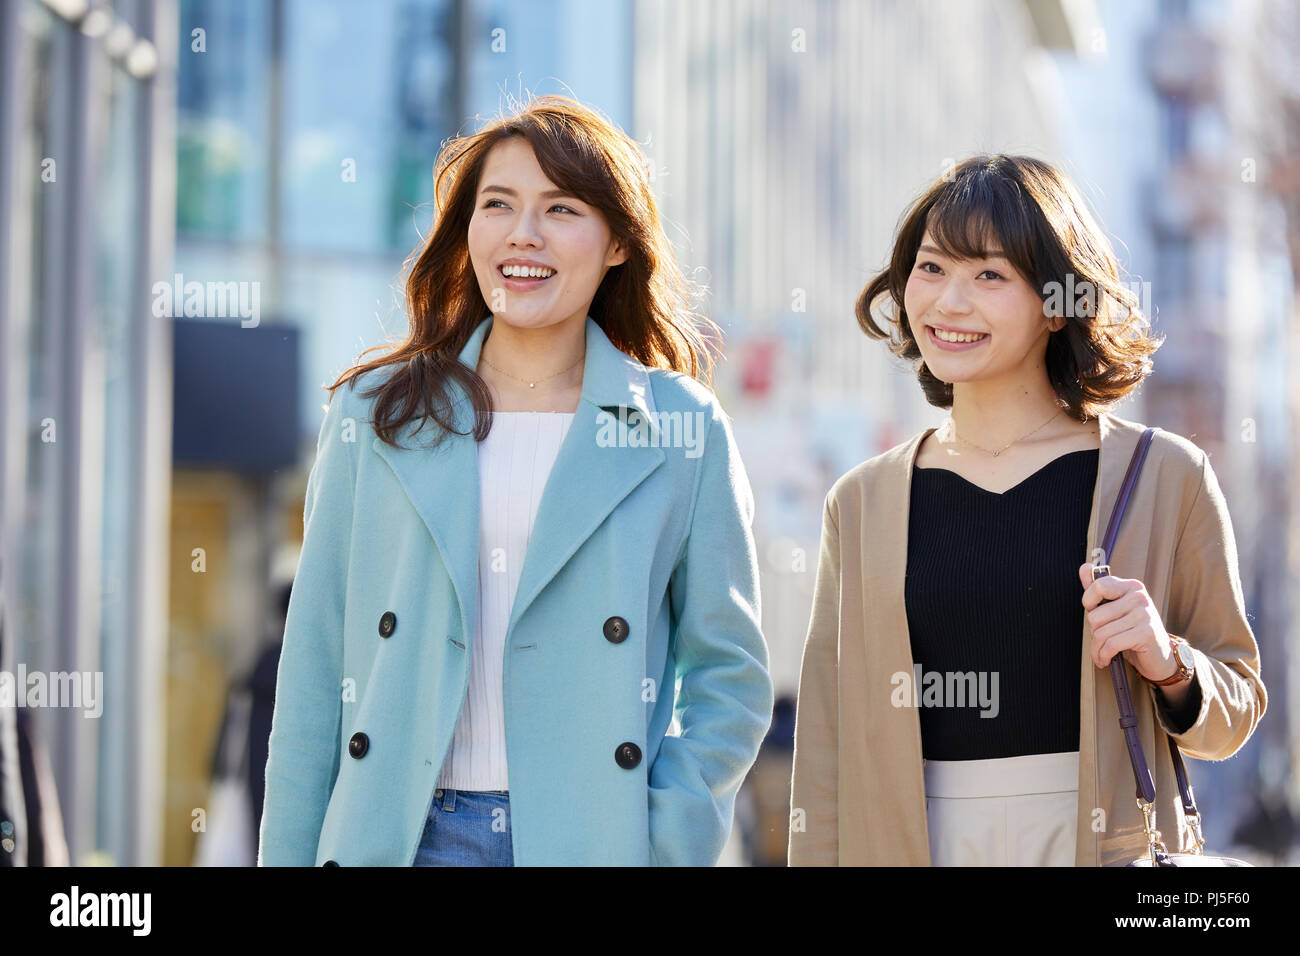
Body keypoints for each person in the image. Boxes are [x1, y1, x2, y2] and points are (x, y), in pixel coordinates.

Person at [259, 94, 773, 867]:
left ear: (618, 245)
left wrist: (667, 838)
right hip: (398, 838)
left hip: (590, 840)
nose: (523, 234)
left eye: (561, 208)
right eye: (498, 204)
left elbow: (729, 675)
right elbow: (313, 666)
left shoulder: (680, 428)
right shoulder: (377, 413)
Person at [788, 154, 1267, 866]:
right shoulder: (862, 502)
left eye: (988, 275)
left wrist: (1167, 663)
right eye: (931, 268)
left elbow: (1233, 710)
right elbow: (824, 746)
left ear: (1056, 301)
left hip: (1099, 844)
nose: (949, 302)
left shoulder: (1163, 474)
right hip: (910, 842)